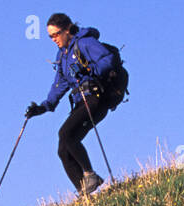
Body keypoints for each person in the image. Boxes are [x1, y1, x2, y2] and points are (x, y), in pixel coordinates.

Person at [25, 14, 127, 194]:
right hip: (81, 101)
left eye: (56, 35)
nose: (53, 39)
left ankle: (90, 175)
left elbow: (108, 59)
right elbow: (59, 85)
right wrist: (42, 107)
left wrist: (89, 69)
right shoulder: (62, 55)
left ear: (67, 30)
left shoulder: (85, 42)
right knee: (63, 149)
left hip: (96, 98)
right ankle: (85, 195)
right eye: (50, 37)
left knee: (65, 134)